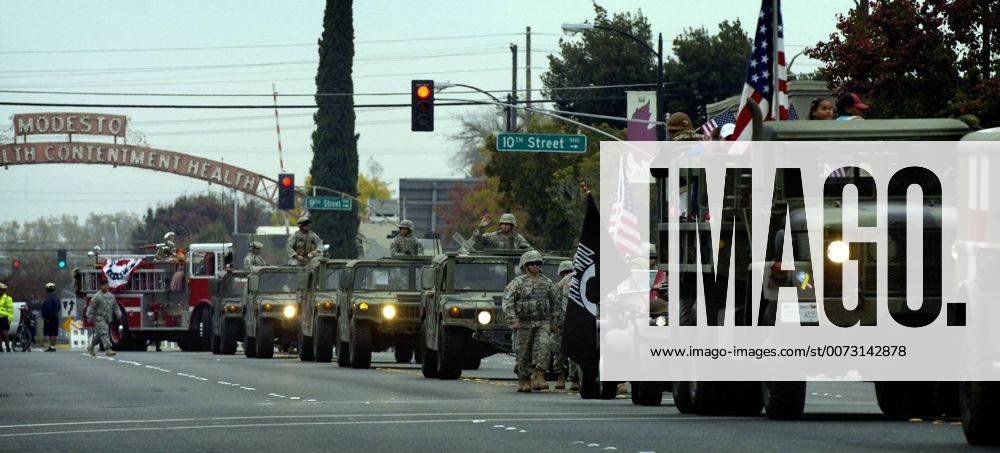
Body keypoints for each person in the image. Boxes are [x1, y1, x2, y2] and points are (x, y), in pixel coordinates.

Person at [503, 250, 559, 393]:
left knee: (544, 348)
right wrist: (513, 321)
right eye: (532, 264)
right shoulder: (517, 283)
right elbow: (508, 302)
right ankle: (524, 379)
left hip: (542, 322)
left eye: (538, 264)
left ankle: (539, 376)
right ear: (525, 266)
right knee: (523, 352)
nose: (535, 266)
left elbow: (555, 304)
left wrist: (554, 322)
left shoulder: (547, 283)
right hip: (524, 323)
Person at [550, 260, 574, 391]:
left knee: (576, 352)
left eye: (569, 272)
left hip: (577, 322)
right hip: (561, 323)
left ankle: (575, 380)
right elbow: (554, 302)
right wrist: (554, 322)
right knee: (558, 351)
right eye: (563, 273)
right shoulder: (560, 285)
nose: (566, 274)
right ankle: (560, 376)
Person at [86, 281, 118, 357]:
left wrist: (118, 313)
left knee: (99, 336)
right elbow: (91, 307)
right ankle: (108, 349)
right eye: (104, 285)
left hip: (107, 318)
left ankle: (91, 347)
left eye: (107, 285)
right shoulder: (97, 296)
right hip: (99, 318)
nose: (106, 286)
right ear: (101, 286)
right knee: (104, 332)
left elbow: (115, 306)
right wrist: (89, 316)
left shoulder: (111, 296)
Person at [41, 282, 61, 352]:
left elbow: (48, 309)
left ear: (47, 290)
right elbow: (59, 307)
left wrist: (46, 316)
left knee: (51, 333)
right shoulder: (56, 298)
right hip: (55, 317)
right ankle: (53, 346)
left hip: (49, 318)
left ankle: (52, 347)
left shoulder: (48, 299)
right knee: (54, 333)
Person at [0, 283, 12, 353]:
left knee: (5, 333)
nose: (0, 291)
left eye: (2, 290)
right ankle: (0, 347)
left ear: (4, 291)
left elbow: (10, 310)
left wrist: (9, 319)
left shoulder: (8, 298)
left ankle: (7, 347)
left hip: (4, 318)